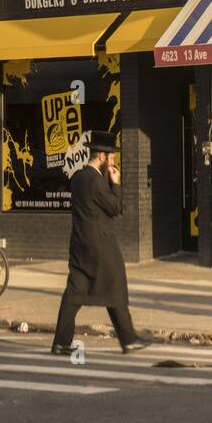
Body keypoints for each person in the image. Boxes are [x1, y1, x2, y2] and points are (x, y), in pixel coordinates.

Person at [51, 131, 152, 355]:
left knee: (74, 293)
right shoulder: (96, 181)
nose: (114, 160)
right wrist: (116, 184)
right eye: (112, 157)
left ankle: (61, 342)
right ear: (103, 157)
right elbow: (115, 208)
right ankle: (128, 339)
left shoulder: (78, 177)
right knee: (115, 285)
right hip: (100, 244)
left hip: (79, 243)